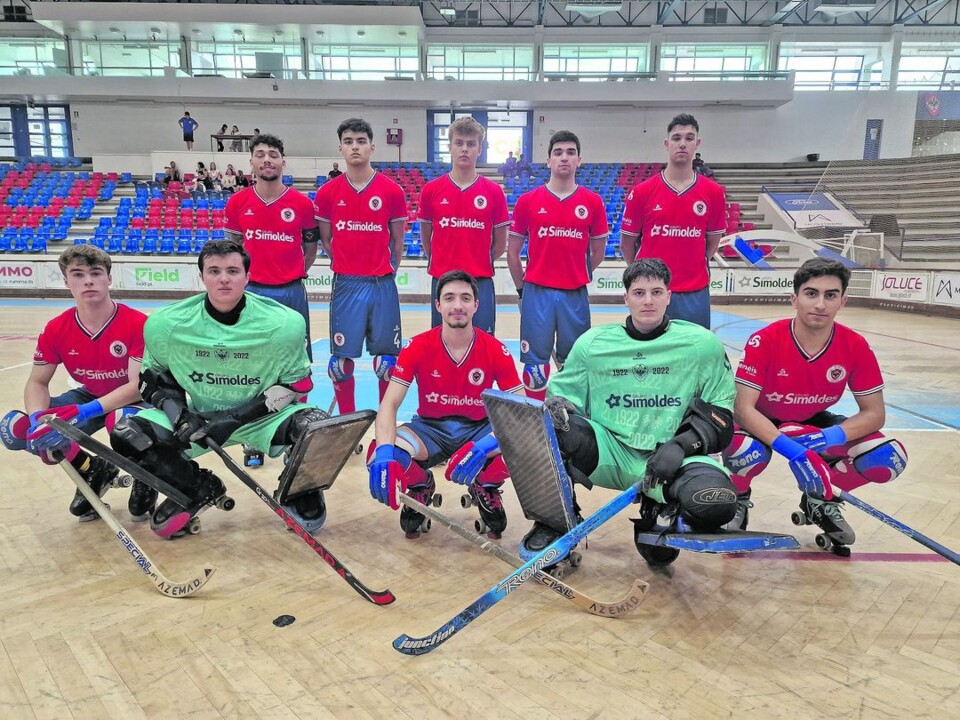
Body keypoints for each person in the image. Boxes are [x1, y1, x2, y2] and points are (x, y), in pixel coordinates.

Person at [456, 259, 738, 565]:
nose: (648, 300)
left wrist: (681, 445)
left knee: (716, 504)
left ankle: (659, 512)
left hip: (672, 457)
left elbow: (721, 414)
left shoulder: (701, 344)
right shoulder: (593, 345)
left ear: (669, 296)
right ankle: (555, 522)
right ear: (625, 298)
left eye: (657, 292)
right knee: (556, 428)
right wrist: (486, 445)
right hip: (609, 452)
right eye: (639, 292)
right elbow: (556, 406)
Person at [109, 240, 329, 538]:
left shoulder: (284, 324)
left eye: (232, 271)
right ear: (202, 277)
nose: (223, 278)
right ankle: (195, 487)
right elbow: (153, 381)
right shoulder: (166, 323)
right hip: (198, 418)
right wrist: (180, 416)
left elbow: (296, 386)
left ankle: (298, 490)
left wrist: (234, 418)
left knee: (317, 428)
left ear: (247, 277)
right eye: (214, 271)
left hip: (262, 417)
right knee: (128, 434)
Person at [722, 258, 908, 552]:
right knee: (746, 452)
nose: (820, 304)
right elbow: (743, 409)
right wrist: (790, 449)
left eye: (830, 295)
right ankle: (738, 498)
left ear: (843, 301)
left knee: (889, 456)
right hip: (762, 420)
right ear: (794, 299)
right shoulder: (765, 340)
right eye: (811, 293)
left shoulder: (855, 346)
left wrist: (827, 437)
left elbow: (875, 413)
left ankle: (820, 500)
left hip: (812, 422)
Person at [367, 270, 523, 537]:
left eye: (465, 298)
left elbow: (521, 411)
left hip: (478, 430)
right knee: (377, 454)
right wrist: (383, 451)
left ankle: (485, 484)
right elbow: (389, 405)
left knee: (525, 447)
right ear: (438, 305)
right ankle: (420, 485)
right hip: (430, 430)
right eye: (449, 298)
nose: (458, 305)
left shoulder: (496, 350)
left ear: (476, 305)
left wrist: (488, 444)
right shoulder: (417, 346)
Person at [0, 246, 148, 522]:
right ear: (66, 281)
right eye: (78, 274)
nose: (88, 281)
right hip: (88, 394)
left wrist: (85, 412)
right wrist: (36, 420)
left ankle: (146, 477)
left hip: (133, 400)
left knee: (123, 426)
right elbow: (37, 382)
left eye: (95, 273)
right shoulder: (56, 329)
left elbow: (136, 386)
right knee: (14, 428)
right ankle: (93, 469)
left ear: (109, 279)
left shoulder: (137, 323)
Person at [313, 117, 407, 414]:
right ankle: (347, 424)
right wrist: (348, 263)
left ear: (372, 147)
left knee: (387, 365)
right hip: (347, 284)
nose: (355, 147)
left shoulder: (392, 191)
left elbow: (397, 243)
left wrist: (383, 270)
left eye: (361, 141)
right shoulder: (327, 193)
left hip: (381, 284)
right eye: (349, 142)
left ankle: (385, 423)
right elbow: (326, 241)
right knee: (339, 366)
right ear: (340, 148)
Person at [506, 129, 608, 401]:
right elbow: (512, 253)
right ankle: (536, 424)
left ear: (579, 160)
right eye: (558, 152)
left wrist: (578, 273)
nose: (564, 157)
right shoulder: (528, 202)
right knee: (534, 369)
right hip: (537, 294)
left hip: (574, 294)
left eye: (570, 152)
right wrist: (522, 290)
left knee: (573, 365)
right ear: (548, 161)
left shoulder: (593, 202)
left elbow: (597, 250)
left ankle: (570, 425)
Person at [620, 114, 726, 330]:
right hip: (653, 294)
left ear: (697, 144)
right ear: (667, 144)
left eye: (689, 138)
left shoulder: (713, 192)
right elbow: (626, 245)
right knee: (651, 358)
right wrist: (644, 275)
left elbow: (712, 243)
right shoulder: (642, 192)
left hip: (694, 292)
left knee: (693, 358)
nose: (682, 143)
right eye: (677, 138)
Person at [225, 133, 319, 361]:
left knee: (296, 358)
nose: (267, 159)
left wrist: (290, 274)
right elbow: (231, 252)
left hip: (292, 291)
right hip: (252, 291)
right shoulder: (237, 202)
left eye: (273, 155)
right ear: (251, 163)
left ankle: (297, 397)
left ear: (282, 163)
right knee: (251, 358)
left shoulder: (303, 204)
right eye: (260, 155)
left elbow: (311, 249)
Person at [419, 116, 509, 334]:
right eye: (459, 143)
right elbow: (426, 238)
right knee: (442, 345)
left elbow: (499, 244)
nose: (464, 149)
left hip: (480, 281)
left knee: (483, 345)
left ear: (480, 149)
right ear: (449, 147)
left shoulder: (494, 192)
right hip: (442, 279)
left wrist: (477, 262)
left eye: (471, 144)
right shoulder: (431, 190)